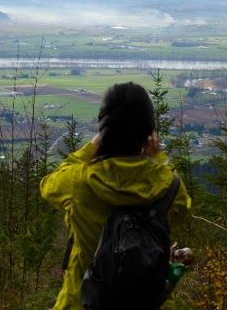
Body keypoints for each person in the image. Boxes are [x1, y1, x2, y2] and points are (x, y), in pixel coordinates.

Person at [40, 82, 192, 309]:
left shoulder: (79, 180)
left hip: (82, 301)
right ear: (148, 134)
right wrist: (159, 159)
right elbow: (183, 213)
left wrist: (88, 150)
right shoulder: (169, 184)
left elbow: (47, 186)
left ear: (104, 131)